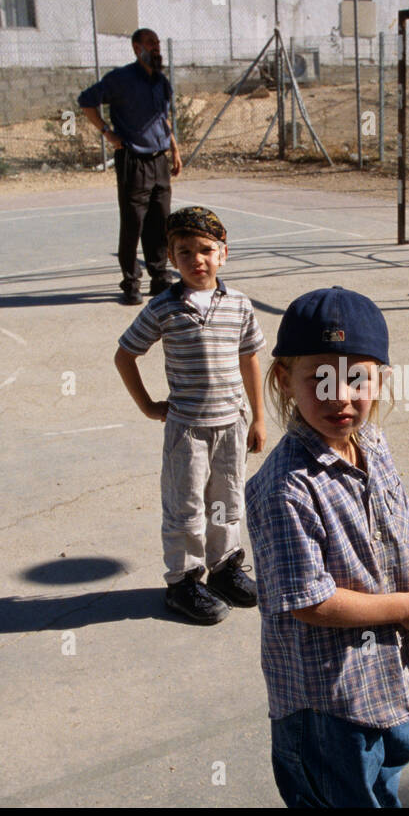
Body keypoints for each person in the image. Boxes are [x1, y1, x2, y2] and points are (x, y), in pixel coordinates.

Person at [245, 286, 409, 808]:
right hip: (326, 707)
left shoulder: (374, 444)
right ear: (285, 381)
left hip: (384, 682)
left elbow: (404, 540)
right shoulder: (284, 488)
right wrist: (407, 607)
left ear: (381, 379)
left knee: (383, 789)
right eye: (319, 378)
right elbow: (311, 601)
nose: (340, 397)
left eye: (357, 378)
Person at [113, 206, 267, 624]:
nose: (196, 259)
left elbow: (250, 357)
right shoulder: (164, 307)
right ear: (170, 258)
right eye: (184, 252)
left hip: (231, 424)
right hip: (188, 430)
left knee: (227, 500)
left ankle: (223, 568)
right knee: (185, 507)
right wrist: (147, 405)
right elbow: (125, 354)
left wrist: (258, 417)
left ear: (223, 254)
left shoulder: (238, 305)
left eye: (205, 250)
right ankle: (183, 582)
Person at [79, 28, 183, 305]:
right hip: (133, 161)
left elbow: (163, 118)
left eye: (158, 43)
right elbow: (85, 101)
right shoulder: (120, 79)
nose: (157, 48)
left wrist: (174, 148)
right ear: (137, 48)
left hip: (159, 159)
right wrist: (107, 133)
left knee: (160, 222)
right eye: (151, 43)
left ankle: (160, 279)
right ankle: (131, 283)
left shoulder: (161, 81)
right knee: (133, 224)